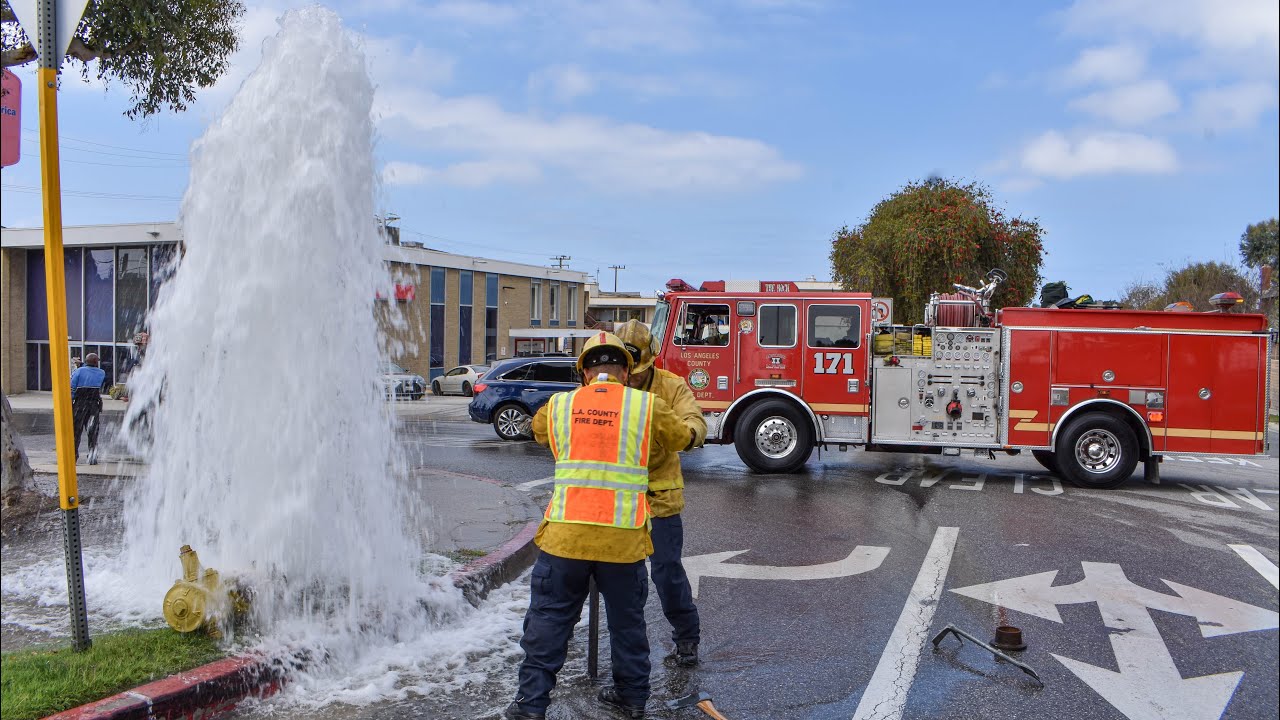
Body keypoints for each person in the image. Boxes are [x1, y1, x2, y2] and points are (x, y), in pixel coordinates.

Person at [506, 332, 690, 720]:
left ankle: (530, 705)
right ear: (625, 370)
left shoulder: (559, 406)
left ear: (585, 373)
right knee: (627, 624)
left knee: (548, 623)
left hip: (565, 539)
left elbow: (540, 433)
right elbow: (680, 438)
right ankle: (632, 698)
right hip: (621, 543)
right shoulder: (647, 405)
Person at [616, 319, 707, 668]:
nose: (632, 378)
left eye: (637, 372)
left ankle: (686, 638)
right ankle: (629, 650)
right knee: (624, 577)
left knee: (667, 572)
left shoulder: (671, 387)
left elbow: (695, 421)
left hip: (660, 497)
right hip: (618, 498)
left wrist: (686, 433)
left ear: (651, 362)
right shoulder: (609, 387)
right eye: (628, 371)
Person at [70, 353, 106, 465]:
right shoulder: (101, 373)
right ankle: (92, 457)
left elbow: (72, 387)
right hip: (94, 405)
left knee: (76, 432)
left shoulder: (79, 371)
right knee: (93, 432)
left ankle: (73, 456)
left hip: (80, 405)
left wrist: (71, 399)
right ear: (96, 362)